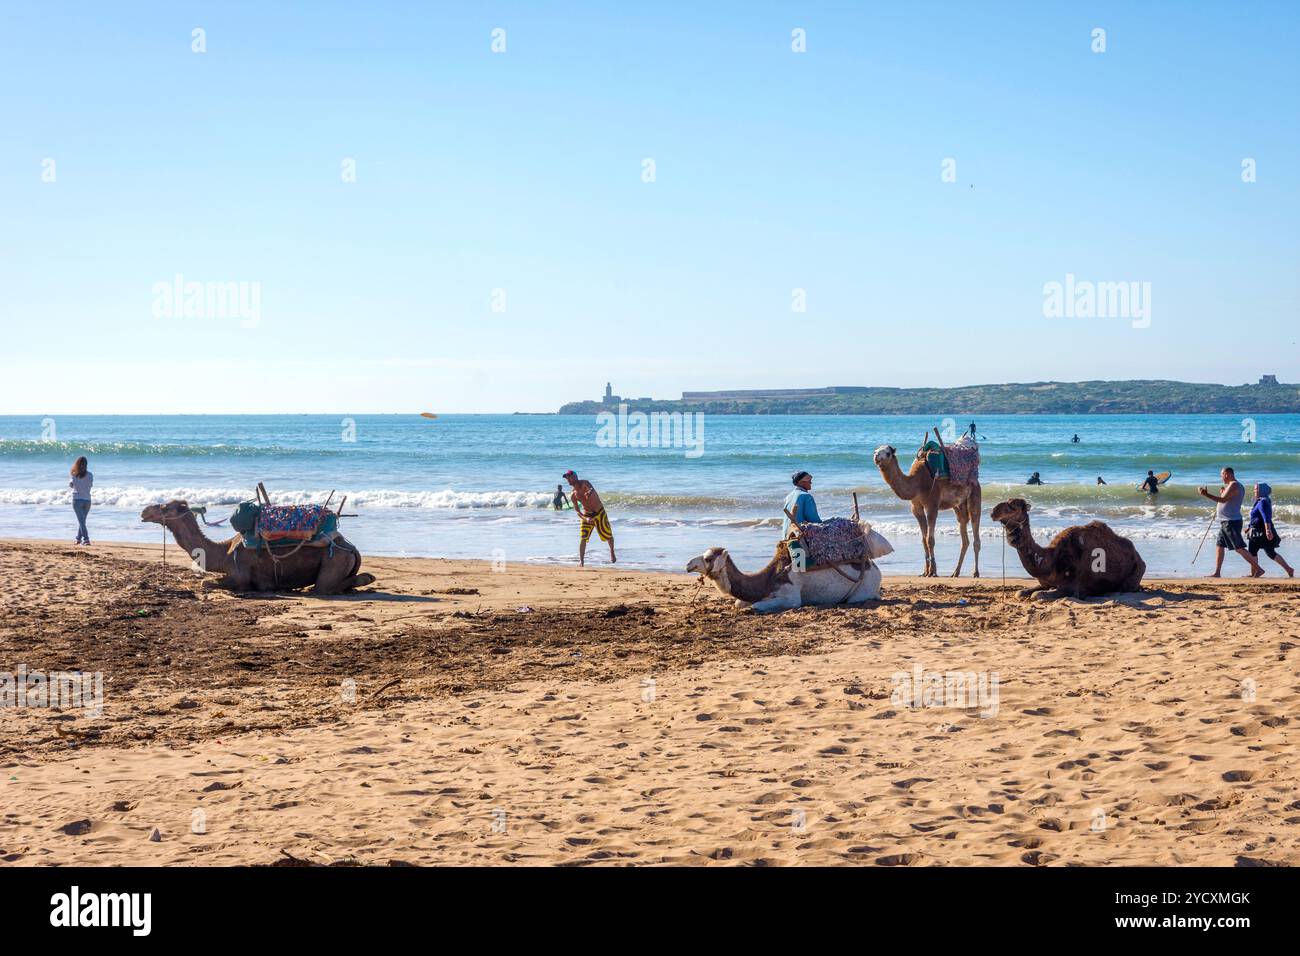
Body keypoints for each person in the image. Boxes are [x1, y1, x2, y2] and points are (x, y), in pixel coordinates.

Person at [1199, 467, 1263, 578]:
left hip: (1231, 521)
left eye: (1222, 475)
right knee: (1219, 545)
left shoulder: (1234, 485)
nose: (1221, 478)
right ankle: (1217, 572)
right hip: (1226, 521)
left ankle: (1259, 569)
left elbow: (1222, 500)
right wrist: (1223, 493)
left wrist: (1206, 494)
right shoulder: (1234, 485)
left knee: (1238, 548)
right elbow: (1226, 499)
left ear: (1227, 474)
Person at [563, 470, 615, 566]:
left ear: (575, 477)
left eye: (569, 477)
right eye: (566, 478)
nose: (568, 480)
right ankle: (581, 561)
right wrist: (585, 519)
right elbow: (578, 511)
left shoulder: (585, 483)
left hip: (600, 512)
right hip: (587, 515)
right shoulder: (573, 495)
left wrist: (589, 492)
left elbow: (590, 489)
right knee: (583, 538)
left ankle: (612, 552)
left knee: (608, 535)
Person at [1247, 482, 1294, 577]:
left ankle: (1289, 569)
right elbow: (1256, 517)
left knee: (1269, 553)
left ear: (1262, 490)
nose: (1254, 491)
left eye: (1256, 489)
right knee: (1253, 551)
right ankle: (1254, 573)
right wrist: (1249, 527)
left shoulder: (1263, 501)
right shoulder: (1261, 500)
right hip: (1256, 531)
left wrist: (1268, 530)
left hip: (1261, 532)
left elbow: (1266, 517)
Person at [69, 456, 93, 545]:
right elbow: (90, 485)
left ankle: (86, 539)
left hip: (77, 500)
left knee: (81, 521)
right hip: (87, 500)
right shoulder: (90, 475)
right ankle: (78, 538)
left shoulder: (74, 475)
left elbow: (71, 485)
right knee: (82, 521)